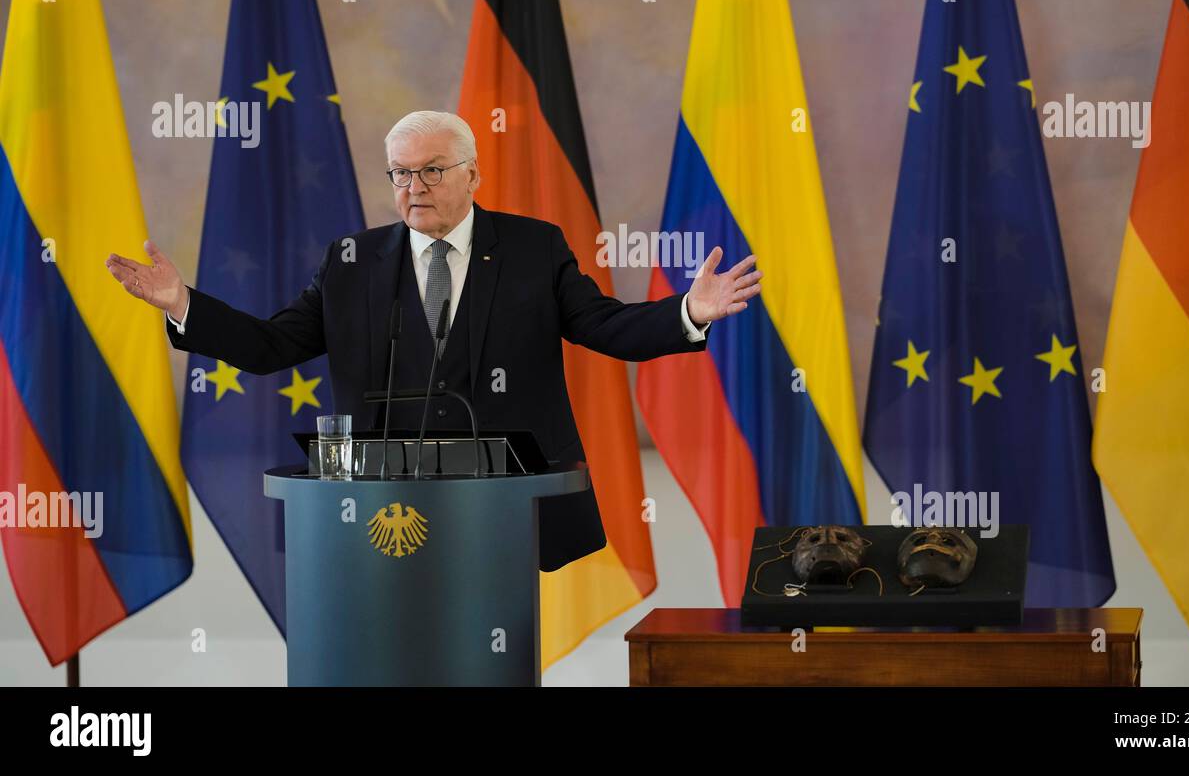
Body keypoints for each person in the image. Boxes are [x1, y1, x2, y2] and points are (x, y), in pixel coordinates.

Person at [105, 110, 761, 570]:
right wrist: (182, 304)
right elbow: (273, 346)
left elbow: (604, 327)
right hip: (383, 509)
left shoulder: (532, 248)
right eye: (400, 174)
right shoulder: (352, 261)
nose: (413, 187)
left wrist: (687, 312)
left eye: (431, 171)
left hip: (506, 504)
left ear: (473, 175)